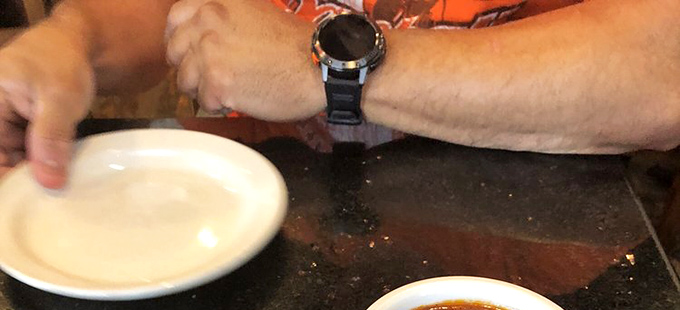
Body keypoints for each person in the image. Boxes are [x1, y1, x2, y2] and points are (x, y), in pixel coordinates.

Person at [0, 0, 678, 189]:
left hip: (530, 231)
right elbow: (167, 12)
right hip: (245, 212)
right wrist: (74, 38)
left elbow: (660, 70)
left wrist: (325, 63)